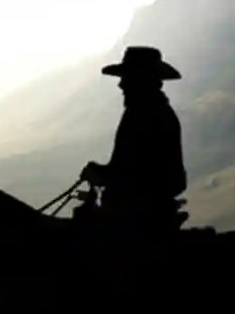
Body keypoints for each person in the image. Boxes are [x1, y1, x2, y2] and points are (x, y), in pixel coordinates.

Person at [79, 46, 189, 240]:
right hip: (146, 213)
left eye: (126, 78)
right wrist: (103, 173)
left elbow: (135, 174)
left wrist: (100, 175)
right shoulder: (152, 112)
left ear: (140, 80)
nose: (121, 85)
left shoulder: (145, 115)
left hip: (138, 219)